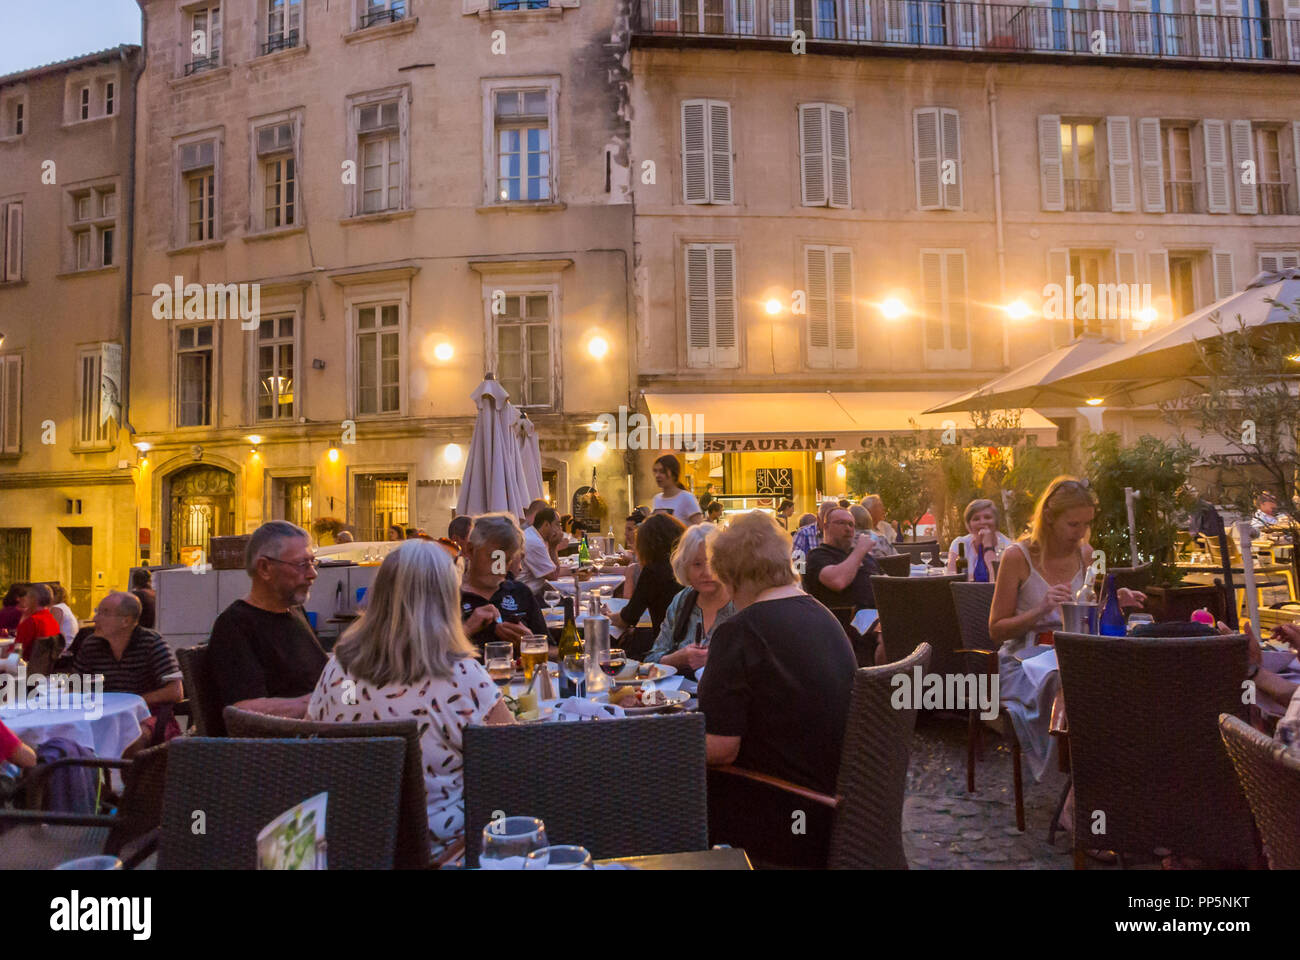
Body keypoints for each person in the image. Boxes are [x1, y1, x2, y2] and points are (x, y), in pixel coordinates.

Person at [308, 540, 514, 861]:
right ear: (447, 599)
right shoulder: (460, 675)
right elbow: (515, 762)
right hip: (447, 851)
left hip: (351, 847)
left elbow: (313, 751)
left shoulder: (337, 668)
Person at [989, 477, 1146, 782]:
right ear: (1050, 517)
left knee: (1122, 675)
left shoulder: (1085, 554)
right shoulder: (1017, 557)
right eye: (1074, 524)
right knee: (1072, 682)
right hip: (1023, 662)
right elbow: (996, 630)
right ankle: (1072, 788)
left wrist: (1113, 602)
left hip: (1071, 653)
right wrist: (1040, 609)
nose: (1081, 533)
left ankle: (1113, 775)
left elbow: (1084, 612)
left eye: (1086, 524)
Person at [699, 511, 856, 795]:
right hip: (836, 798)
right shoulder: (823, 616)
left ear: (732, 576)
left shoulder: (740, 631)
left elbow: (721, 747)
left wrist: (659, 737)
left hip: (780, 805)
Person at [207, 521, 328, 716]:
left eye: (313, 562)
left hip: (323, 734)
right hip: (283, 743)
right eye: (302, 564)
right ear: (264, 568)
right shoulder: (235, 625)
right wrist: (320, 704)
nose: (312, 574)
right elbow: (243, 710)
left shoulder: (295, 613)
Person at [74, 592, 184, 748]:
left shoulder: (151, 642)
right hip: (104, 717)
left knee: (131, 740)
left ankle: (128, 773)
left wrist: (131, 702)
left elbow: (175, 691)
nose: (95, 619)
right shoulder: (91, 644)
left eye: (104, 613)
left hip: (148, 715)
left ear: (125, 621)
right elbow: (76, 687)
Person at [643, 523, 735, 678]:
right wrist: (677, 659)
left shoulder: (743, 601)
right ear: (684, 567)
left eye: (713, 562)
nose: (707, 572)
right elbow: (650, 661)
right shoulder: (682, 601)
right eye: (697, 564)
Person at [460, 513, 547, 649]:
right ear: (470, 550)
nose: (499, 568)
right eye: (494, 558)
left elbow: (553, 652)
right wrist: (466, 630)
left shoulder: (520, 592)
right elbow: (426, 659)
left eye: (506, 560)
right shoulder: (449, 596)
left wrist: (531, 642)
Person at [606, 513, 686, 641]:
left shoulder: (653, 571)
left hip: (665, 643)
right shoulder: (686, 565)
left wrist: (608, 616)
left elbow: (628, 618)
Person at [804, 508, 883, 615]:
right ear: (826, 526)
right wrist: (860, 549)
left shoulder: (865, 556)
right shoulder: (817, 556)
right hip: (845, 624)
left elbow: (885, 582)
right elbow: (838, 581)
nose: (848, 528)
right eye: (841, 523)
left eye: (851, 524)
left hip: (880, 617)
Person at [947, 498, 1015, 579]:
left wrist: (988, 546)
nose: (982, 522)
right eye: (976, 519)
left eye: (987, 517)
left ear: (996, 521)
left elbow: (996, 580)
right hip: (964, 591)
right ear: (969, 524)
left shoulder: (1008, 547)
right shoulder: (960, 543)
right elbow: (951, 578)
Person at [520, 507, 564, 596]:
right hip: (526, 596)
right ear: (546, 524)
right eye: (557, 524)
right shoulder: (534, 542)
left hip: (528, 592)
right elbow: (553, 575)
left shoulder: (533, 535)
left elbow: (551, 568)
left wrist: (574, 571)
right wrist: (553, 546)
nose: (560, 529)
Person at [650, 454, 703, 524]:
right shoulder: (656, 499)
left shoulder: (687, 498)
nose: (657, 475)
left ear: (674, 473)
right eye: (655, 471)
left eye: (662, 471)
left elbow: (699, 528)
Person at [15, 583, 62, 661]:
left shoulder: (31, 622)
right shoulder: (52, 621)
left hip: (23, 669)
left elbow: (15, 654)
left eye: (27, 597)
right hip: (43, 669)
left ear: (34, 599)